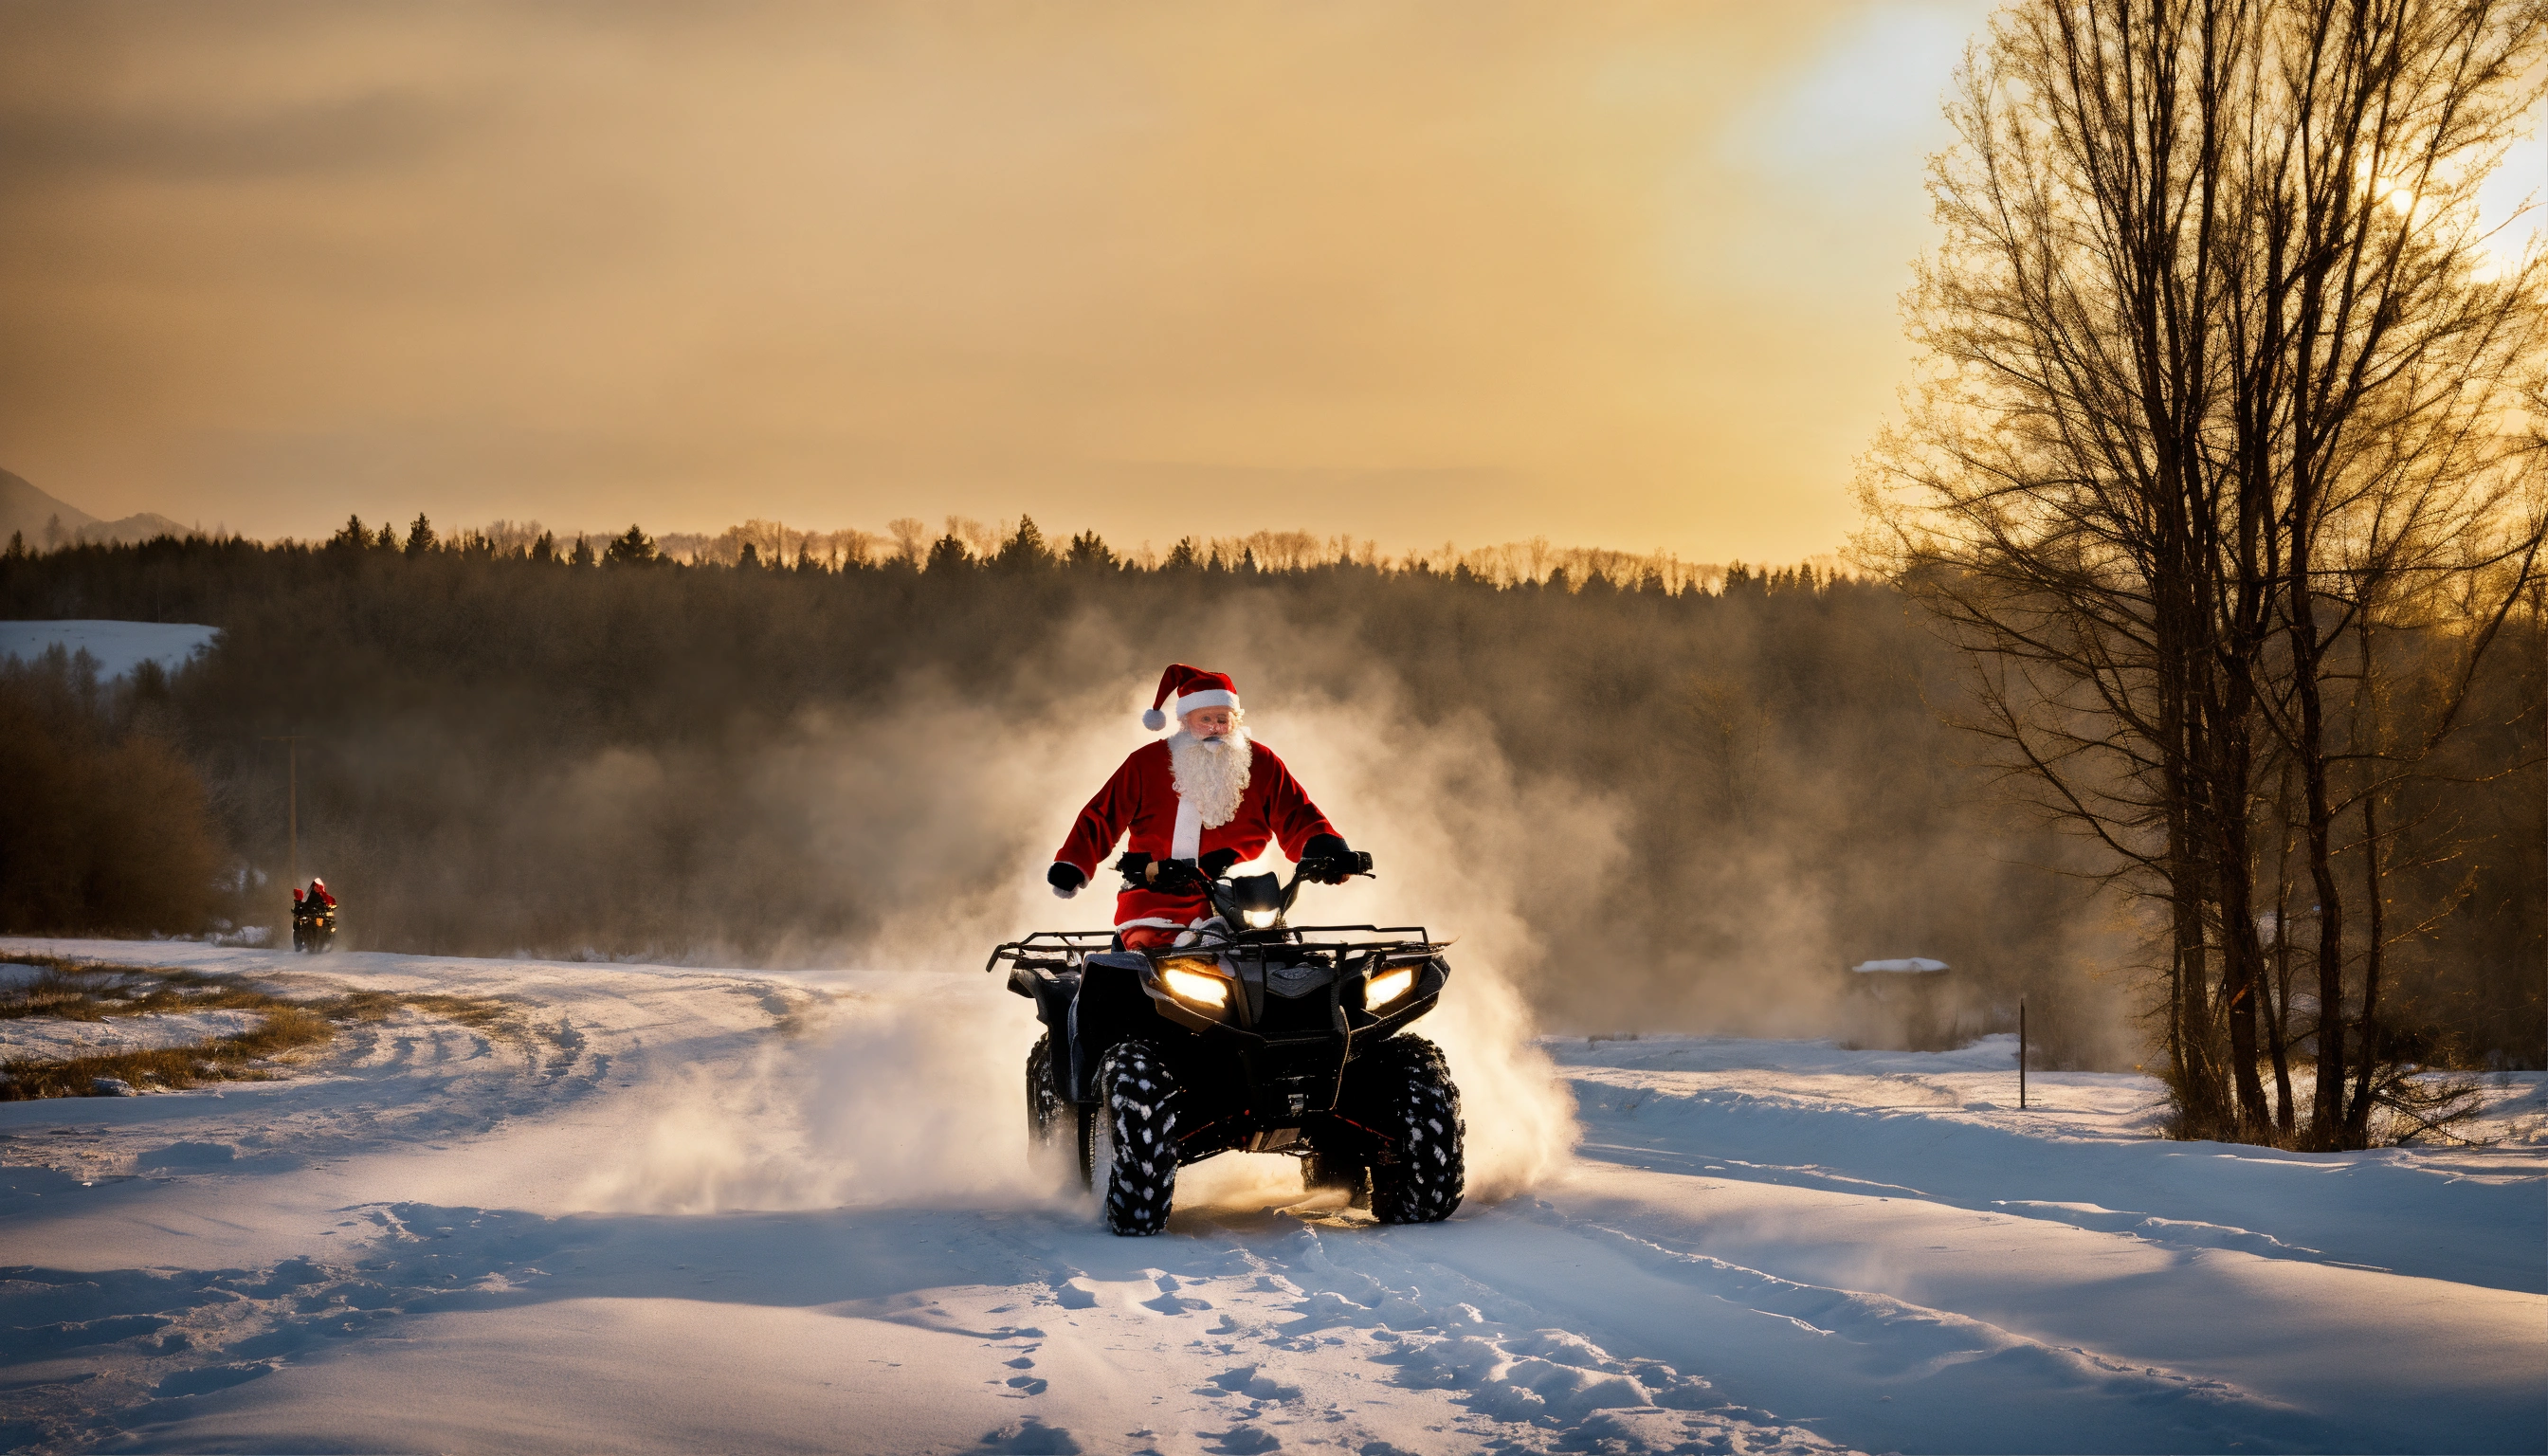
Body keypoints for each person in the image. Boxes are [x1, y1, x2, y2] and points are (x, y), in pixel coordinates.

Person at [1049, 664, 1361, 950]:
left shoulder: (1261, 763)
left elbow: (1297, 813)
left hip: (1239, 900)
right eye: (1205, 719)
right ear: (1185, 722)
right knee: (1143, 960)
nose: (1214, 728)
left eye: (1222, 719)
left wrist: (1326, 850)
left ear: (1234, 721)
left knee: (1282, 958)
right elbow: (1103, 815)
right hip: (1155, 900)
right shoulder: (1145, 764)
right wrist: (1073, 863)